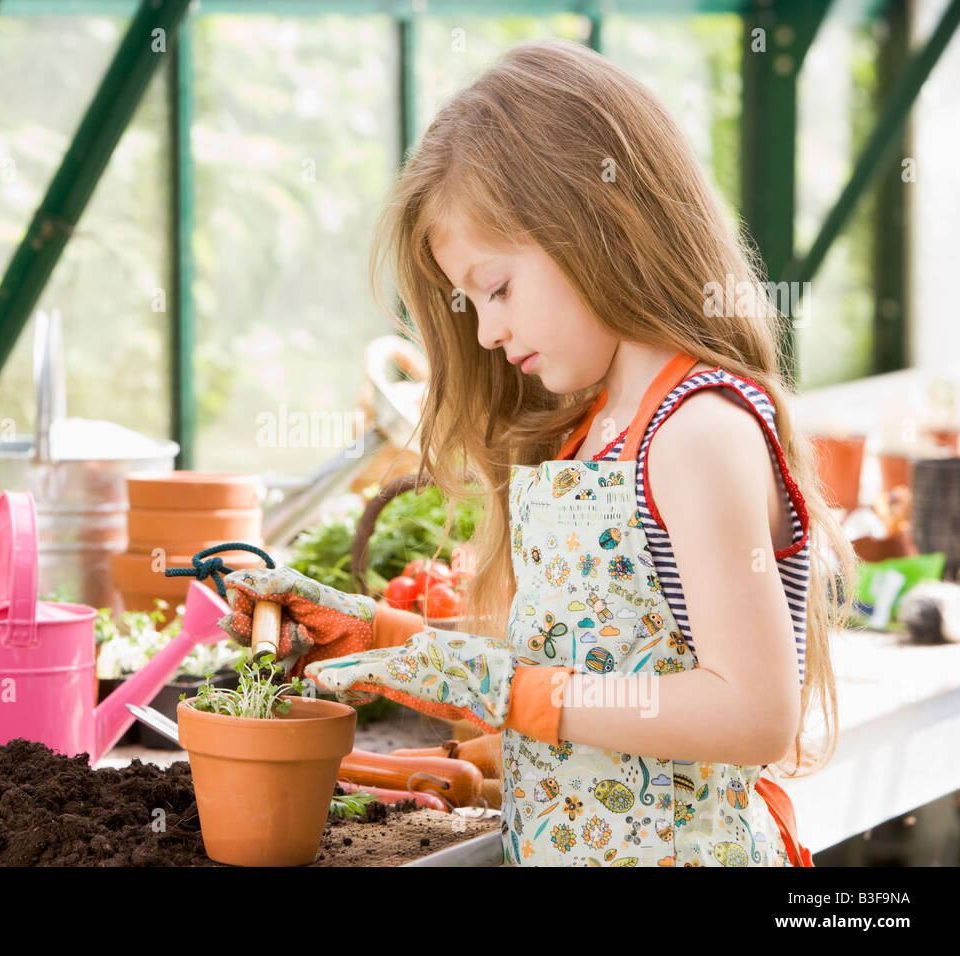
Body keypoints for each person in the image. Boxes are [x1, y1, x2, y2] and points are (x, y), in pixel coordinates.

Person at [219, 39, 855, 867]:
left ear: (597, 224)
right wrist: (377, 636)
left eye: (499, 288)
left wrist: (518, 692)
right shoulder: (590, 429)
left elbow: (753, 712)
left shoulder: (696, 430)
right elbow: (576, 673)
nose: (484, 332)